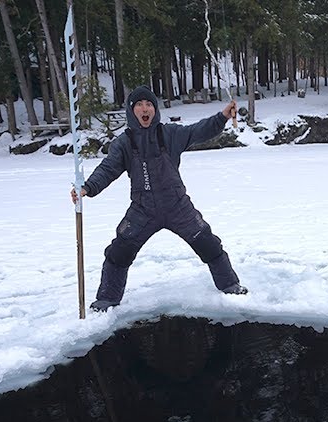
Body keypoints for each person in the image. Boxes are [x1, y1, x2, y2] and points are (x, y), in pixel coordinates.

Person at [70, 85, 246, 312]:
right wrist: (87, 188)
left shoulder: (170, 133)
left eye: (149, 104)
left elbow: (199, 130)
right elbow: (108, 169)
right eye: (140, 105)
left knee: (208, 243)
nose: (145, 109)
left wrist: (222, 116)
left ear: (155, 109)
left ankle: (230, 285)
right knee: (118, 252)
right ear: (132, 110)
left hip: (177, 206)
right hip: (143, 210)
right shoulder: (124, 142)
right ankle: (107, 300)